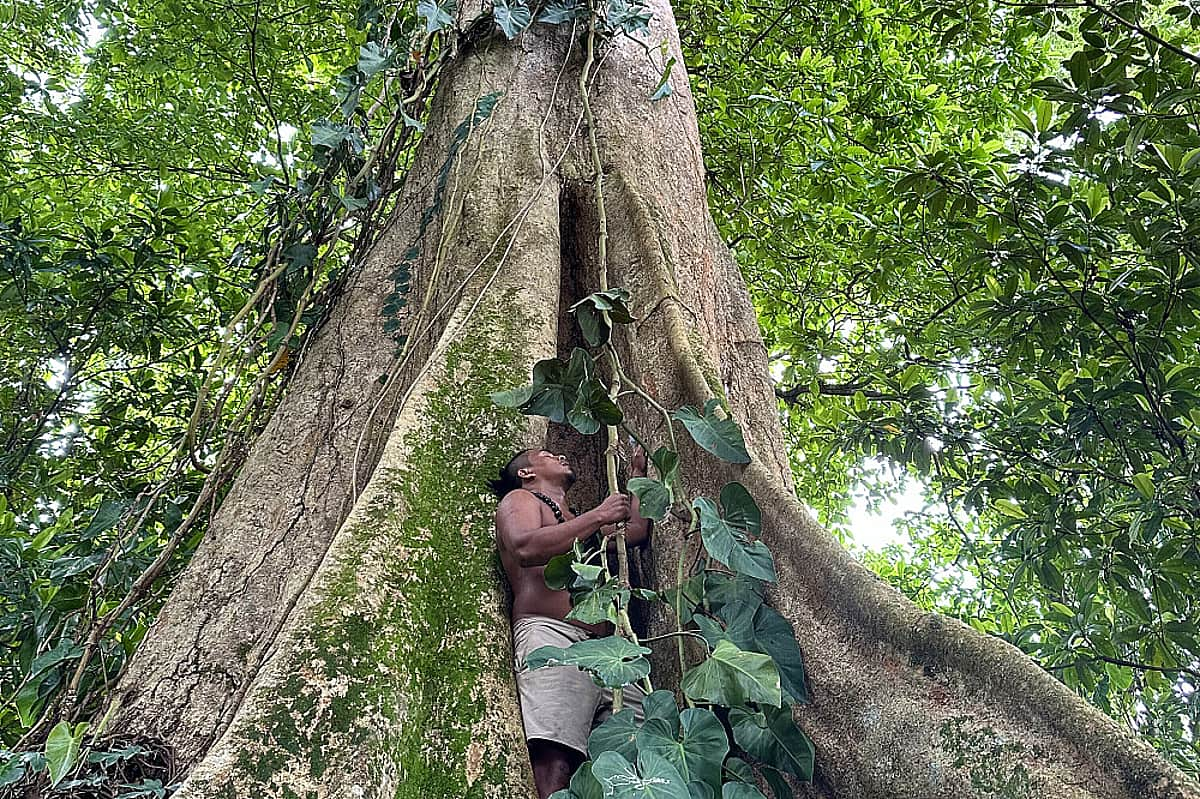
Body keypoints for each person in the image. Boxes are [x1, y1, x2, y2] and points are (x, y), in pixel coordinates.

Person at [491, 447, 652, 799]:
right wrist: (596, 517)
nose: (561, 455)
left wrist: (638, 476)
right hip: (553, 636)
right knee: (556, 756)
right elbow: (524, 545)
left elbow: (634, 532)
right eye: (546, 454)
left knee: (638, 758)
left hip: (608, 655)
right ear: (526, 472)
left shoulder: (575, 520)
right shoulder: (521, 499)